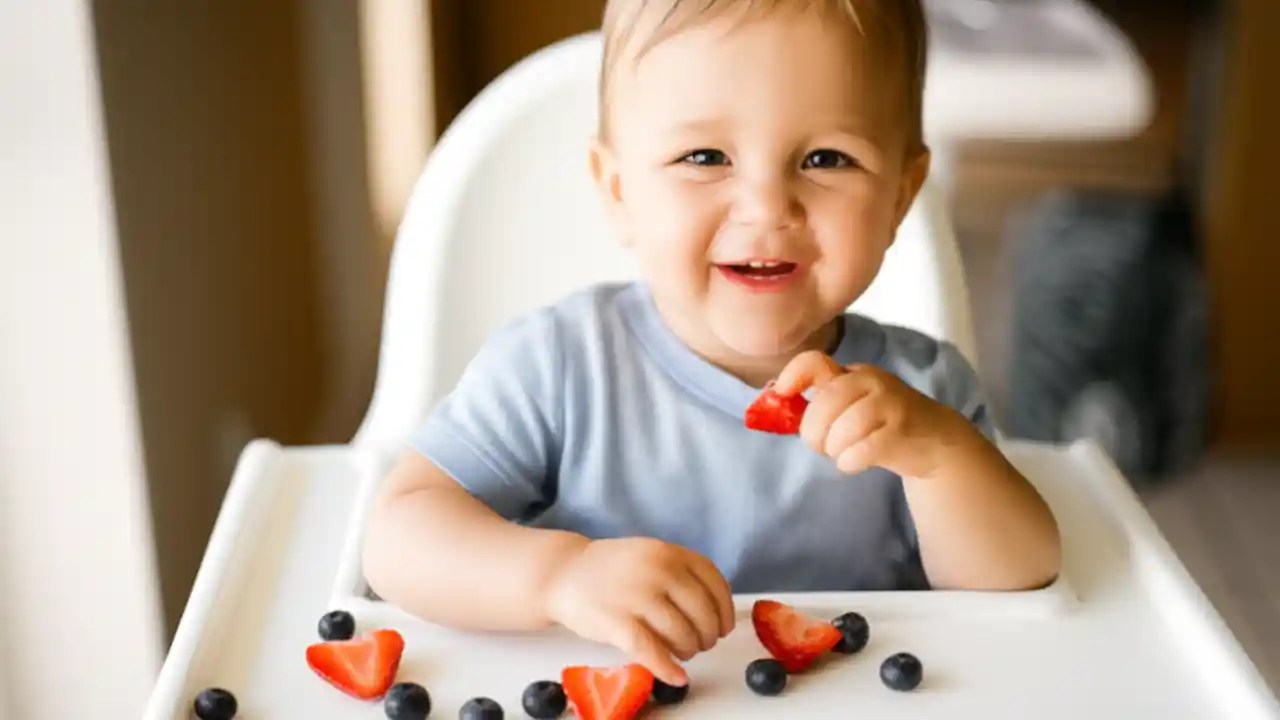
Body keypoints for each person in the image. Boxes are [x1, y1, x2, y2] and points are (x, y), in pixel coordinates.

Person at [363, 0, 1061, 688]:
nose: (766, 207)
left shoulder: (924, 390)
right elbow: (397, 539)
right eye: (705, 156)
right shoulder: (557, 369)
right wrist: (558, 576)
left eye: (826, 158)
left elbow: (1019, 581)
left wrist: (939, 456)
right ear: (617, 191)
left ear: (901, 197)